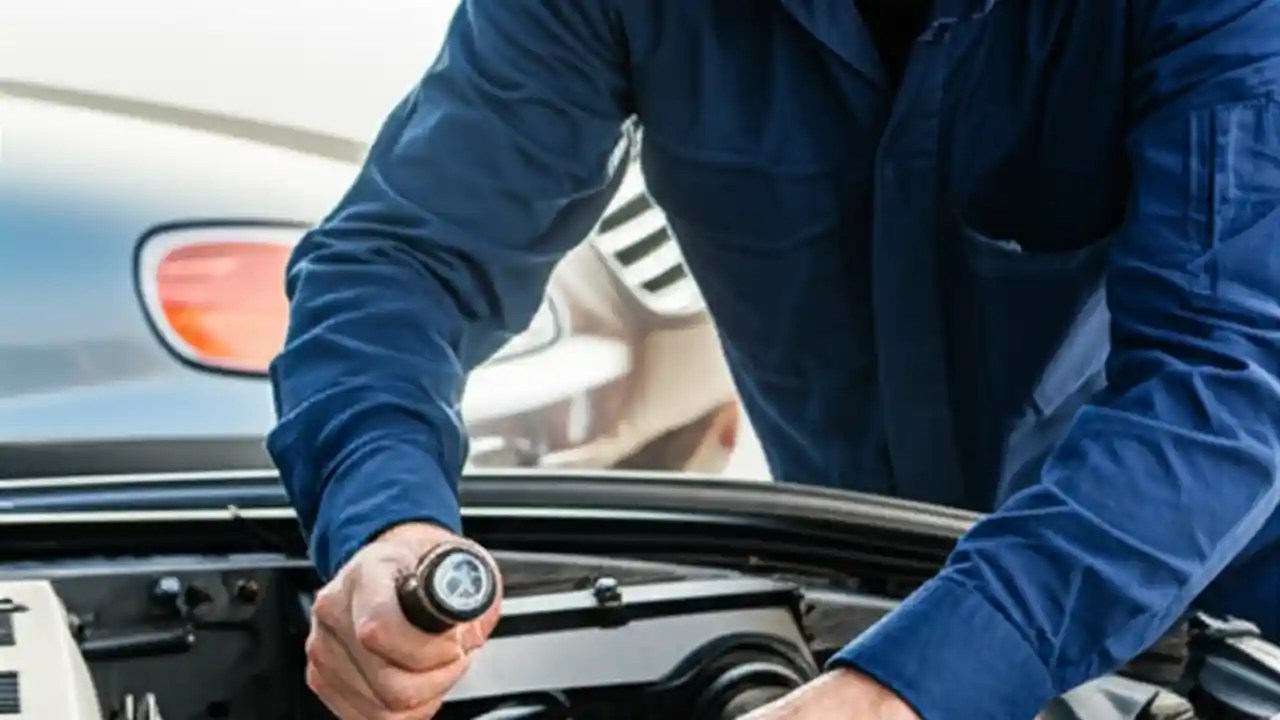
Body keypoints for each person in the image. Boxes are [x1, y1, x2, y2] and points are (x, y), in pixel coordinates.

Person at [267, 1, 1280, 718]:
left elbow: (1223, 376)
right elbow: (400, 257)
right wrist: (387, 519)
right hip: (857, 607)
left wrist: (917, 684)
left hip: (1223, 613)